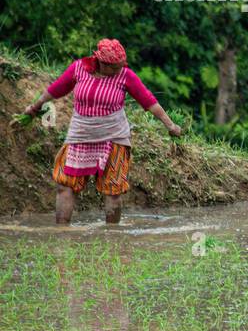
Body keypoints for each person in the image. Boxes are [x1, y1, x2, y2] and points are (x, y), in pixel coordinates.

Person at [15, 39, 184, 224]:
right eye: (114, 67)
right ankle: (62, 231)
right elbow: (55, 90)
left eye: (121, 65)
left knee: (113, 189)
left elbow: (149, 101)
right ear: (101, 62)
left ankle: (111, 234)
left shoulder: (125, 76)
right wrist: (34, 108)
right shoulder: (79, 68)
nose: (119, 69)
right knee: (65, 185)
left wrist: (170, 125)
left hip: (113, 137)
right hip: (80, 135)